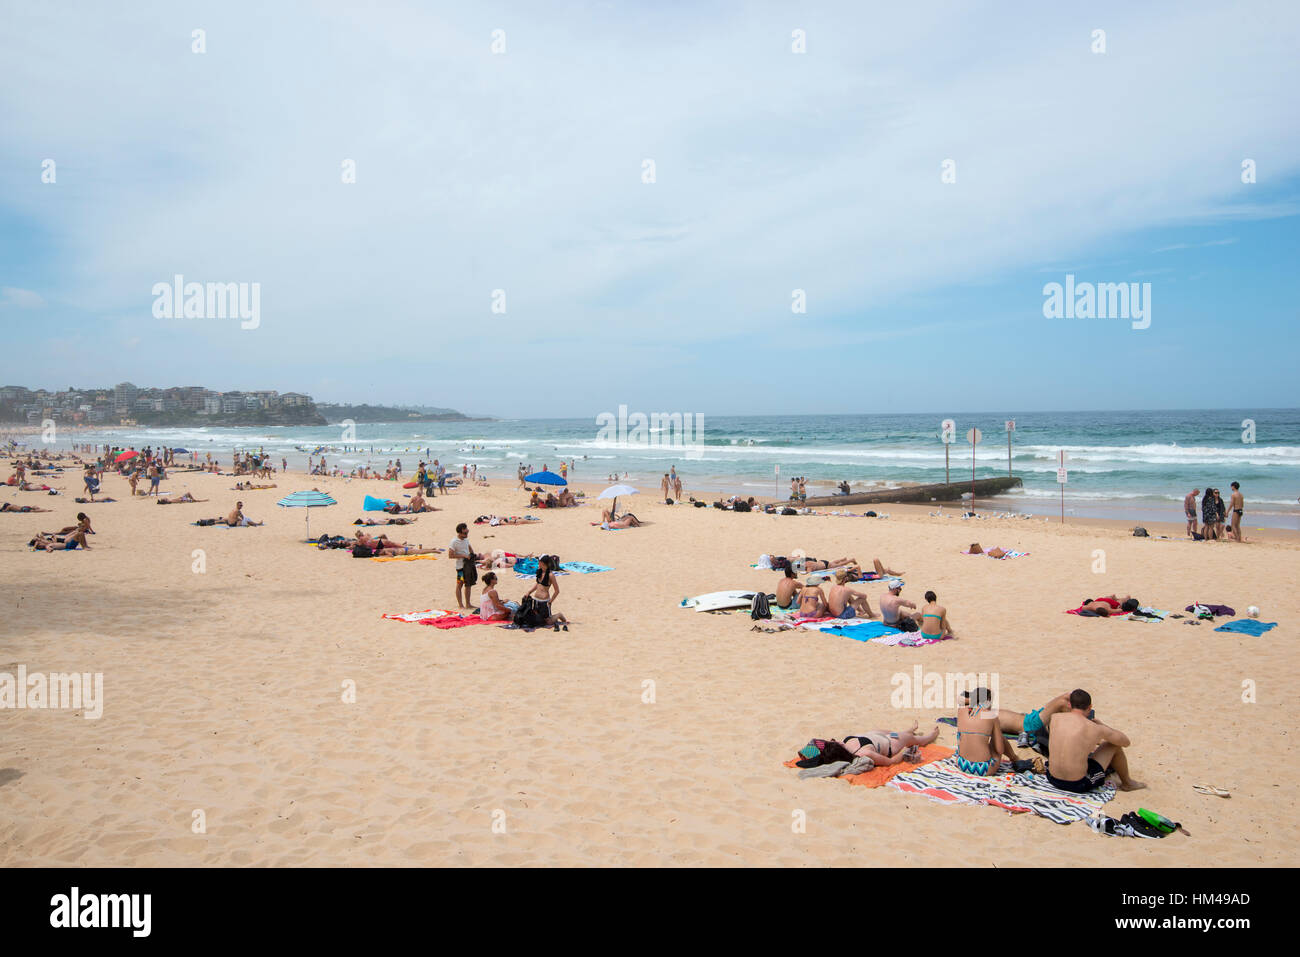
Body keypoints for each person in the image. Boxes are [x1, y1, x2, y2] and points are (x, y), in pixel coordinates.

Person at [1045, 689, 1145, 792]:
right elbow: (1125, 742)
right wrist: (1101, 725)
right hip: (1076, 785)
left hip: (1052, 778)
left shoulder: (1055, 718)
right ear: (1090, 707)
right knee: (1113, 746)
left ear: (1070, 704)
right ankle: (1128, 783)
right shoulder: (1095, 728)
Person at [955, 687, 1019, 775]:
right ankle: (1015, 758)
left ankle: (1015, 758)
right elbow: (999, 750)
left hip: (961, 763)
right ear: (988, 701)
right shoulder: (990, 715)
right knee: (1000, 739)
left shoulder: (961, 711)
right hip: (984, 769)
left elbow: (960, 700)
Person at [840, 721, 940, 766]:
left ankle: (906, 731)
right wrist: (904, 751)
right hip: (890, 744)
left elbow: (824, 744)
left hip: (876, 737)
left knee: (884, 732)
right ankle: (930, 737)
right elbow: (890, 762)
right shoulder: (864, 753)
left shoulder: (843, 743)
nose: (833, 740)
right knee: (912, 739)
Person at [521, 555, 569, 630]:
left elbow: (557, 591)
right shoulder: (539, 571)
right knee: (536, 619)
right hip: (536, 600)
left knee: (548, 622)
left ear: (543, 563)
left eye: (539, 562)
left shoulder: (551, 575)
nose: (538, 563)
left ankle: (559, 615)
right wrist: (529, 592)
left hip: (545, 601)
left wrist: (550, 601)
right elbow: (538, 584)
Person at [450, 522, 474, 609]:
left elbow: (470, 549)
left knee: (468, 585)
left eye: (467, 532)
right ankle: (460, 604)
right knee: (460, 584)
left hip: (468, 566)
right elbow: (450, 555)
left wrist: (472, 555)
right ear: (460, 532)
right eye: (465, 533)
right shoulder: (454, 542)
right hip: (460, 567)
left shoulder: (466, 540)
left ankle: (468, 604)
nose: (466, 534)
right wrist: (463, 556)